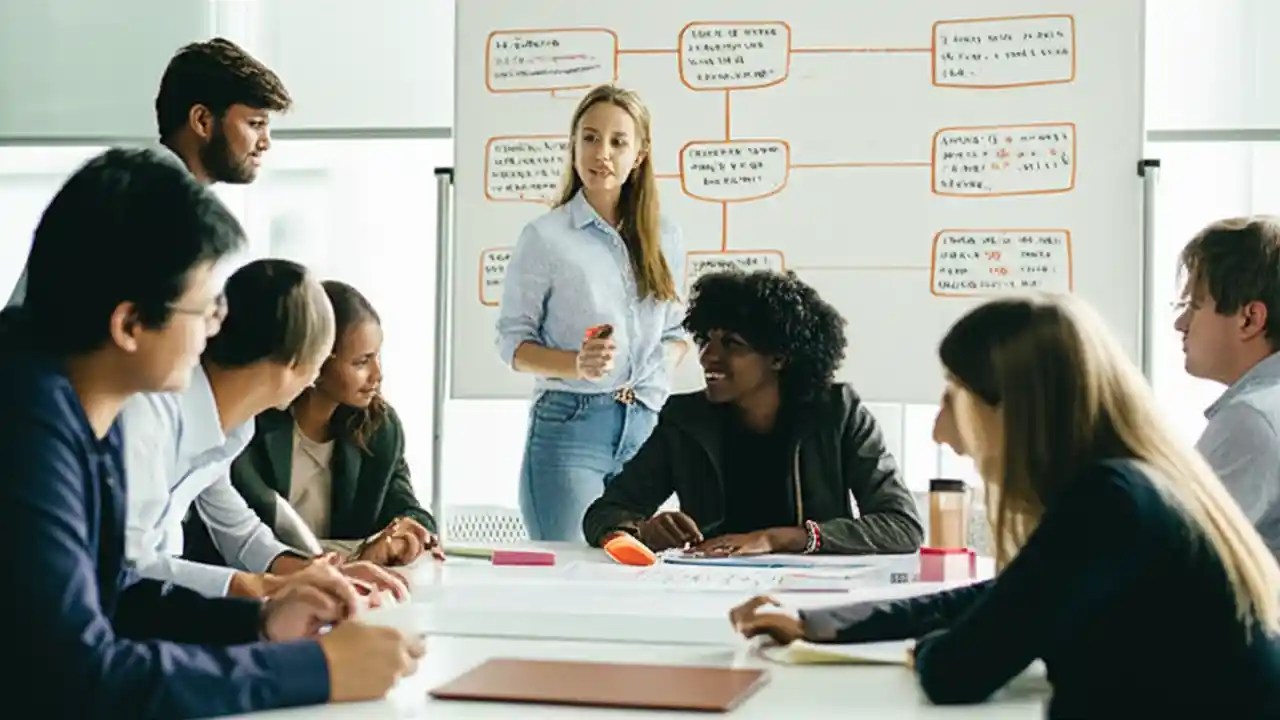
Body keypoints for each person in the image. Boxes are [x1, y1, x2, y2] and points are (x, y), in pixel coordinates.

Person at [0, 148, 421, 717]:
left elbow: (118, 595)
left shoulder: (81, 409)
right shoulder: (27, 428)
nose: (218, 326)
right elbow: (77, 674)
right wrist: (316, 670)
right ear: (129, 324)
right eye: (203, 309)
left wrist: (259, 620)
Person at [730, 295, 1280, 717]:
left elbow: (959, 670)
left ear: (1012, 408)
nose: (942, 431)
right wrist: (821, 624)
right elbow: (1007, 596)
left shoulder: (1108, 500)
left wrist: (924, 649)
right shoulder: (1130, 484)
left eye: (953, 397)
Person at [121, 259, 411, 600]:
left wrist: (316, 572)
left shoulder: (235, 427)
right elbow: (128, 565)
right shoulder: (146, 416)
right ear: (295, 364)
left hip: (154, 605)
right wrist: (254, 586)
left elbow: (236, 527)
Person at [583, 270, 923, 555]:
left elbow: (902, 526)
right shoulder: (685, 419)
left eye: (732, 344)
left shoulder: (838, 413)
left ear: (778, 357)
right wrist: (640, 531)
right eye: (706, 341)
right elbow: (603, 515)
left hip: (815, 593)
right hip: (711, 588)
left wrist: (776, 539)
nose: (707, 357)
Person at [496, 83, 688, 541]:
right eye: (589, 137)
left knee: (639, 583)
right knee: (575, 580)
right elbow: (512, 344)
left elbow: (678, 331)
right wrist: (576, 364)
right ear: (574, 144)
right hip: (571, 430)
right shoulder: (545, 237)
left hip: (646, 429)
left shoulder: (666, 235)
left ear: (639, 155)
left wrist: (661, 363)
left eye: (618, 142)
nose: (601, 152)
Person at [6, 37, 289, 309]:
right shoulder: (151, 203)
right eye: (255, 124)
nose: (265, 142)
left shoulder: (145, 187)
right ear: (202, 121)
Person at [232, 281, 442, 565]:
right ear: (316, 360)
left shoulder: (380, 427)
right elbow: (236, 534)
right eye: (361, 362)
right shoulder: (249, 424)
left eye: (377, 357)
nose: (377, 374)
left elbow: (410, 511)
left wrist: (403, 535)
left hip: (344, 587)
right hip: (261, 581)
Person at [1175, 216, 1280, 557]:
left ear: (1249, 319)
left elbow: (1174, 556)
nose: (1181, 324)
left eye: (1194, 305)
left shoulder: (1252, 419)